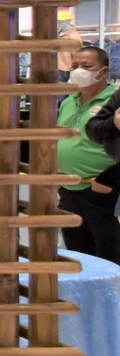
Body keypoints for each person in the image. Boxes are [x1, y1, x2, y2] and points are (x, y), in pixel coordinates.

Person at [57, 44, 120, 262]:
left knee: (109, 256)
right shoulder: (67, 102)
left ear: (104, 72)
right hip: (69, 189)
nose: (78, 70)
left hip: (102, 192)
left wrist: (109, 181)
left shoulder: (115, 102)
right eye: (74, 66)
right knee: (77, 255)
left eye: (86, 65)